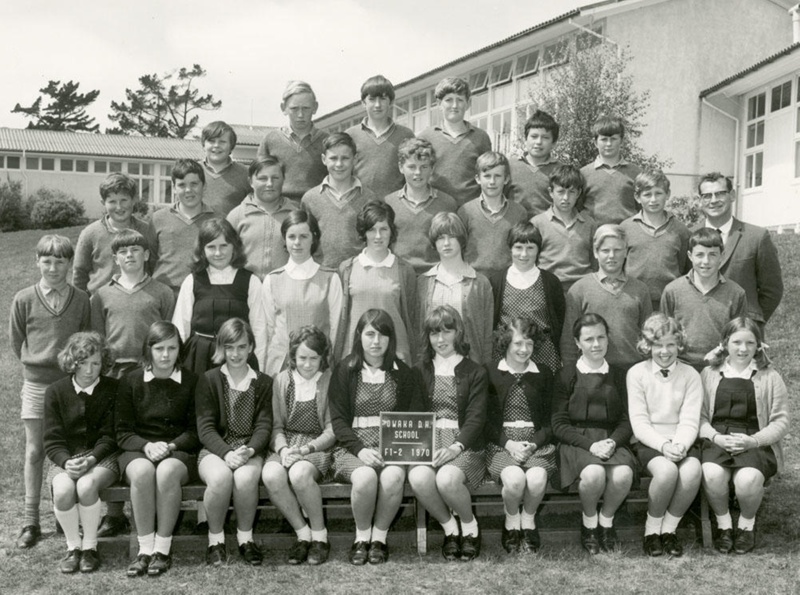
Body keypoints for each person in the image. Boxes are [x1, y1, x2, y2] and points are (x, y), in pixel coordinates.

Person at [9, 234, 91, 549]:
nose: (53, 268)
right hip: (37, 383)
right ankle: (30, 521)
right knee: (35, 451)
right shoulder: (23, 299)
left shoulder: (81, 299)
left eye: (60, 262)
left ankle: (63, 509)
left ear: (69, 263)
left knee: (69, 446)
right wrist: (37, 365)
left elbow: (84, 339)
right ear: (37, 262)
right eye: (47, 261)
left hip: (70, 384)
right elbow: (17, 341)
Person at [329, 309, 421, 565]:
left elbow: (410, 419)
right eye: (370, 334)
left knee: (393, 478)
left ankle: (379, 538)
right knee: (365, 477)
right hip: (352, 447)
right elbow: (338, 421)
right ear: (359, 336)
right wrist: (360, 450)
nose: (376, 341)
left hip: (390, 447)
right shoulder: (345, 370)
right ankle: (361, 537)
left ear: (391, 339)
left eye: (382, 335)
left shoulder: (402, 372)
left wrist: (394, 448)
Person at [698, 317, 789, 554]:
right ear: (724, 343)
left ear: (758, 345)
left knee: (747, 480)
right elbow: (698, 418)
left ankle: (747, 525)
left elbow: (781, 421)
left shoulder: (769, 376)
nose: (743, 349)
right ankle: (724, 525)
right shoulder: (709, 373)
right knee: (712, 474)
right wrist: (715, 437)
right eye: (737, 342)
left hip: (754, 441)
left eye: (750, 343)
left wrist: (754, 441)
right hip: (717, 439)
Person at [116, 321, 200, 577]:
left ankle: (162, 549)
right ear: (148, 349)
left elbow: (196, 431)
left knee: (166, 472)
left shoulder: (192, 381)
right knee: (142, 472)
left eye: (172, 348)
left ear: (180, 350)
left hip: (178, 449)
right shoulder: (131, 380)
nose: (165, 355)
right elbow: (122, 432)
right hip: (138, 448)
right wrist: (146, 446)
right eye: (159, 348)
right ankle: (144, 550)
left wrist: (171, 446)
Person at [408, 306, 487, 561]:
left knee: (447, 480)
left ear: (458, 333)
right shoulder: (419, 371)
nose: (440, 339)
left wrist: (455, 447)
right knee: (418, 477)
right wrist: (425, 447)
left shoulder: (475, 371)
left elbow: (476, 419)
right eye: (434, 333)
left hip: (464, 444)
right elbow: (415, 414)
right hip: (429, 442)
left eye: (446, 331)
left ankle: (470, 528)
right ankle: (450, 529)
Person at [551, 314, 635, 555]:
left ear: (608, 339)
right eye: (589, 339)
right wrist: (590, 446)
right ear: (577, 343)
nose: (596, 344)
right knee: (594, 474)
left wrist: (613, 441)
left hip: (611, 439)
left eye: (601, 337)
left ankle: (606, 521)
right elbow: (559, 423)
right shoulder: (565, 375)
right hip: (577, 442)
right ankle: (589, 523)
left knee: (623, 475)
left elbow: (626, 419)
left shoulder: (619, 375)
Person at [195, 318, 272, 567]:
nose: (235, 354)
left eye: (241, 346)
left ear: (251, 347)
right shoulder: (209, 379)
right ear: (221, 348)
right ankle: (215, 541)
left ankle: (245, 538)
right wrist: (227, 453)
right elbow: (205, 428)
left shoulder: (263, 382)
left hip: (249, 449)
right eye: (229, 347)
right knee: (220, 478)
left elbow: (264, 426)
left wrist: (249, 450)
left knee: (245, 478)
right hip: (216, 449)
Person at [627, 314, 702, 557]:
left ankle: (669, 529)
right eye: (658, 345)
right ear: (647, 345)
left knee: (692, 471)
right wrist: (663, 446)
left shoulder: (690, 375)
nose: (665, 351)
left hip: (681, 440)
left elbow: (690, 419)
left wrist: (679, 445)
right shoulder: (637, 373)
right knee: (667, 471)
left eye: (671, 344)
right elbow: (639, 423)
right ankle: (651, 531)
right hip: (649, 441)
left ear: (680, 344)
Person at [44, 332, 118, 573]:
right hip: (66, 458)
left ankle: (90, 547)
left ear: (103, 363)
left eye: (95, 363)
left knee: (86, 486)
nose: (89, 370)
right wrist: (66, 462)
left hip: (103, 457)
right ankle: (73, 546)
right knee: (63, 490)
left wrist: (92, 459)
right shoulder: (55, 392)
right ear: (72, 362)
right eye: (82, 362)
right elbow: (52, 440)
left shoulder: (113, 389)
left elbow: (111, 436)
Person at [262, 326, 335, 566]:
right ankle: (303, 534)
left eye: (314, 358)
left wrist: (305, 450)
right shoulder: (281, 381)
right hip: (287, 445)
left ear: (322, 358)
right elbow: (276, 426)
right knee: (271, 475)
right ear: (293, 356)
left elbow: (331, 430)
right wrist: (284, 450)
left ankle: (320, 537)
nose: (307, 364)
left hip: (316, 446)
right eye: (302, 358)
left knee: (299, 474)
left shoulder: (329, 380)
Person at [485, 318, 556, 554]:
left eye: (529, 343)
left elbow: (551, 421)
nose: (524, 349)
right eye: (517, 343)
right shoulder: (490, 372)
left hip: (536, 443)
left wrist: (533, 444)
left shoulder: (543, 373)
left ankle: (528, 521)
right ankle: (511, 521)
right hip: (502, 443)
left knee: (536, 479)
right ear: (505, 343)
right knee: (514, 480)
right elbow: (484, 421)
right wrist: (508, 444)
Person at [172, 218, 265, 375]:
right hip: (199, 358)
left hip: (237, 357)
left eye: (224, 246)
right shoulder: (192, 281)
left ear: (234, 246)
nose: (218, 253)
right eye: (211, 247)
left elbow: (259, 329)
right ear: (202, 250)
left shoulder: (251, 281)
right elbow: (181, 327)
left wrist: (258, 368)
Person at [261, 209, 343, 377]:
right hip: (281, 367)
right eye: (292, 237)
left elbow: (336, 328)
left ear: (314, 238)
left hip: (318, 366)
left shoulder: (330, 279)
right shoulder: (272, 280)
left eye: (304, 236)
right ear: (284, 239)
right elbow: (267, 329)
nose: (297, 242)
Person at [560, 225, 652, 371]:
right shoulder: (579, 290)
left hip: (632, 369)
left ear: (626, 252)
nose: (611, 256)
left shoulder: (640, 290)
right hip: (592, 371)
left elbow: (649, 336)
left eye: (617, 250)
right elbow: (568, 339)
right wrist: (570, 372)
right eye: (605, 250)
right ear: (595, 252)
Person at [698, 172, 783, 329]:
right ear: (700, 200)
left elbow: (772, 290)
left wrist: (751, 325)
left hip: (743, 334)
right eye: (707, 196)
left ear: (732, 195)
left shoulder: (757, 237)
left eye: (720, 193)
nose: (714, 200)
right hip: (700, 329)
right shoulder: (689, 236)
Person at [336, 202, 417, 364]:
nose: (378, 236)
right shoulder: (347, 268)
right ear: (363, 232)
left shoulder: (405, 270)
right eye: (372, 229)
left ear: (391, 231)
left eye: (383, 229)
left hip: (395, 355)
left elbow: (411, 318)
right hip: (356, 356)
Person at [91, 229, 175, 379]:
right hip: (113, 370)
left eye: (135, 250)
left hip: (150, 367)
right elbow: (98, 337)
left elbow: (168, 335)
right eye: (123, 252)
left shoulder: (163, 292)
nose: (129, 255)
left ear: (146, 255)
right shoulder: (102, 295)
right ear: (116, 259)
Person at [661, 228, 748, 370]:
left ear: (722, 256)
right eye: (699, 255)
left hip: (720, 366)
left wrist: (721, 354)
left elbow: (739, 335)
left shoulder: (736, 293)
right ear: (690, 256)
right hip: (680, 366)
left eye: (712, 255)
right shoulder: (672, 291)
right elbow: (664, 334)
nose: (706, 261)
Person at [416, 212, 494, 365]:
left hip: (470, 366)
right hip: (433, 365)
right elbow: (417, 330)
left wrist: (485, 368)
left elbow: (487, 336)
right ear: (434, 242)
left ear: (461, 240)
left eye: (451, 237)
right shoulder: (423, 282)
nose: (446, 243)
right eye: (440, 238)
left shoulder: (480, 283)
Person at [488, 222, 565, 371]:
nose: (524, 254)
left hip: (544, 357)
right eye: (518, 247)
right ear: (510, 248)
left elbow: (559, 321)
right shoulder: (496, 282)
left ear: (538, 250)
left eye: (530, 248)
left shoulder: (550, 282)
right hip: (506, 356)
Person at [300, 132, 379, 268]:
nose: (339, 164)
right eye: (333, 158)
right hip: (321, 273)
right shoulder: (310, 199)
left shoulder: (369, 198)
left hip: (358, 273)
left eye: (345, 158)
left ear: (355, 159)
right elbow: (304, 239)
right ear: (324, 159)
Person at [72, 172, 157, 294]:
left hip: (138, 299)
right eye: (112, 201)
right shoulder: (90, 233)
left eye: (124, 200)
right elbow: (79, 274)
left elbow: (154, 268)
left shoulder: (147, 231)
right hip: (100, 302)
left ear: (133, 200)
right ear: (103, 203)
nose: (119, 207)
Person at [384, 138, 458, 274]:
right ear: (401, 167)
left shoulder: (447, 203)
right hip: (398, 274)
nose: (418, 172)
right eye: (412, 167)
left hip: (435, 275)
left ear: (432, 169)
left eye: (424, 167)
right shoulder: (388, 203)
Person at [620, 169, 691, 311]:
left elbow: (684, 267)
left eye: (658, 193)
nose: (653, 200)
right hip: (633, 300)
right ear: (637, 197)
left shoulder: (681, 230)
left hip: (669, 302)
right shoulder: (625, 228)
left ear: (668, 194)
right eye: (647, 194)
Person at [417, 76, 492, 206]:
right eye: (449, 100)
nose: (455, 105)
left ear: (468, 104)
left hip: (470, 210)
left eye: (460, 100)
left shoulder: (481, 137)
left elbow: (488, 175)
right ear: (439, 104)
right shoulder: (425, 137)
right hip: (435, 209)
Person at [151, 158, 217, 294]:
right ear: (174, 188)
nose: (188, 190)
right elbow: (149, 258)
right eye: (181, 185)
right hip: (165, 293)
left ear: (204, 186)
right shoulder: (158, 219)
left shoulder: (217, 220)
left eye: (194, 184)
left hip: (204, 293)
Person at [457, 151, 528, 276]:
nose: (492, 181)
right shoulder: (465, 211)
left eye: (498, 176)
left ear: (506, 179)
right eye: (487, 176)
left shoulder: (519, 213)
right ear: (478, 179)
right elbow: (458, 249)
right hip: (473, 278)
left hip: (508, 279)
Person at [257, 81, 329, 203]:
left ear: (315, 107)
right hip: (279, 206)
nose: (300, 115)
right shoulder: (270, 140)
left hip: (316, 206)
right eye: (294, 109)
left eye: (306, 108)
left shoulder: (327, 141)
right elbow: (259, 179)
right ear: (283, 108)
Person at [345, 74, 415, 201]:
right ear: (363, 103)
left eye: (383, 99)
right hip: (359, 206)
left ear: (391, 102)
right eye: (372, 99)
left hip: (394, 207)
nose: (377, 105)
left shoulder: (406, 135)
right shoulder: (350, 135)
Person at [226, 156, 297, 280]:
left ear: (283, 180)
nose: (269, 184)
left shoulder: (295, 216)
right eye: (262, 178)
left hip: (286, 286)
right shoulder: (237, 216)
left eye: (275, 178)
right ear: (251, 182)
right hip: (246, 288)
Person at [531, 165, 597, 293]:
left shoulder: (589, 224)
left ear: (578, 193)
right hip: (548, 289)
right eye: (560, 192)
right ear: (551, 192)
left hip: (582, 289)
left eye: (571, 192)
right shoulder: (537, 223)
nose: (566, 198)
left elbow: (595, 262)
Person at [579, 115, 642, 225]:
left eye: (613, 139)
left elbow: (642, 207)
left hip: (626, 232)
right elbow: (577, 208)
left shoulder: (636, 173)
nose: (609, 144)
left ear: (621, 141)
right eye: (604, 139)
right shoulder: (583, 174)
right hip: (594, 232)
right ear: (595, 142)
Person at [508, 109, 564, 218]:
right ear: (525, 139)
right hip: (515, 226)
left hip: (548, 227)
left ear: (553, 143)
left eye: (545, 137)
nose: (538, 142)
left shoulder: (561, 171)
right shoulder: (509, 167)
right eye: (534, 136)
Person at [200, 121, 251, 216]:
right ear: (203, 145)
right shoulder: (192, 172)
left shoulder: (245, 174)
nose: (216, 145)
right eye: (211, 141)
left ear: (231, 147)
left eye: (222, 142)